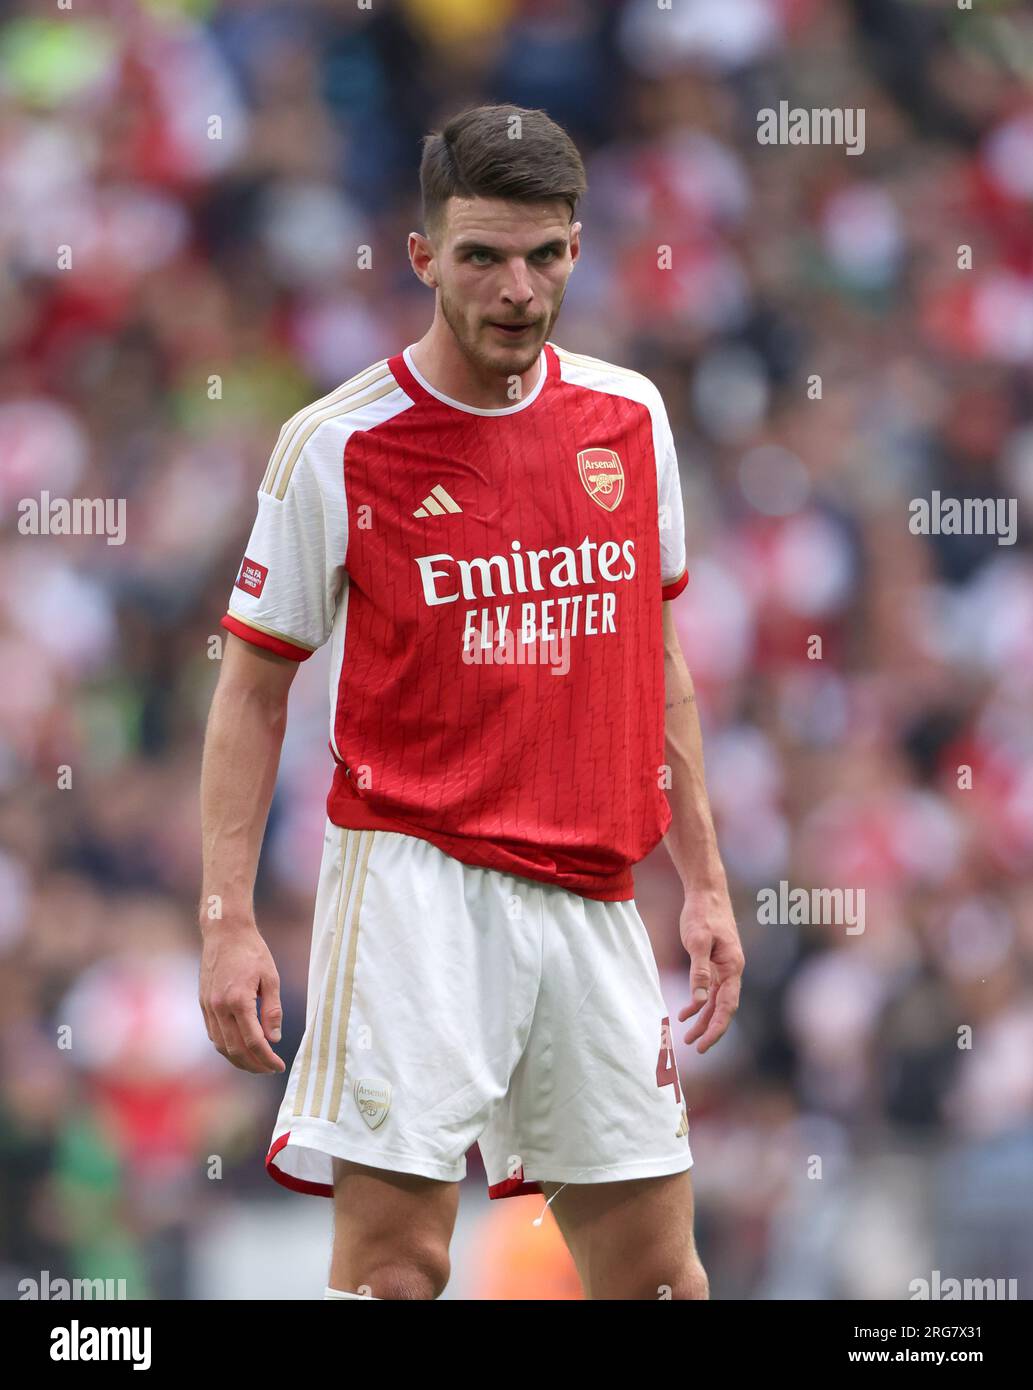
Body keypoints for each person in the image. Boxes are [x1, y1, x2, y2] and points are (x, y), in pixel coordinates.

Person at [198, 103, 743, 1301]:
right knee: (396, 1272)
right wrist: (226, 916)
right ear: (422, 256)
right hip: (411, 890)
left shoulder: (628, 418)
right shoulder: (336, 446)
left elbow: (661, 667)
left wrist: (703, 881)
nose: (517, 288)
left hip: (596, 899)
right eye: (484, 256)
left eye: (545, 255)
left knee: (660, 1280)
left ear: (576, 251)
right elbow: (250, 690)